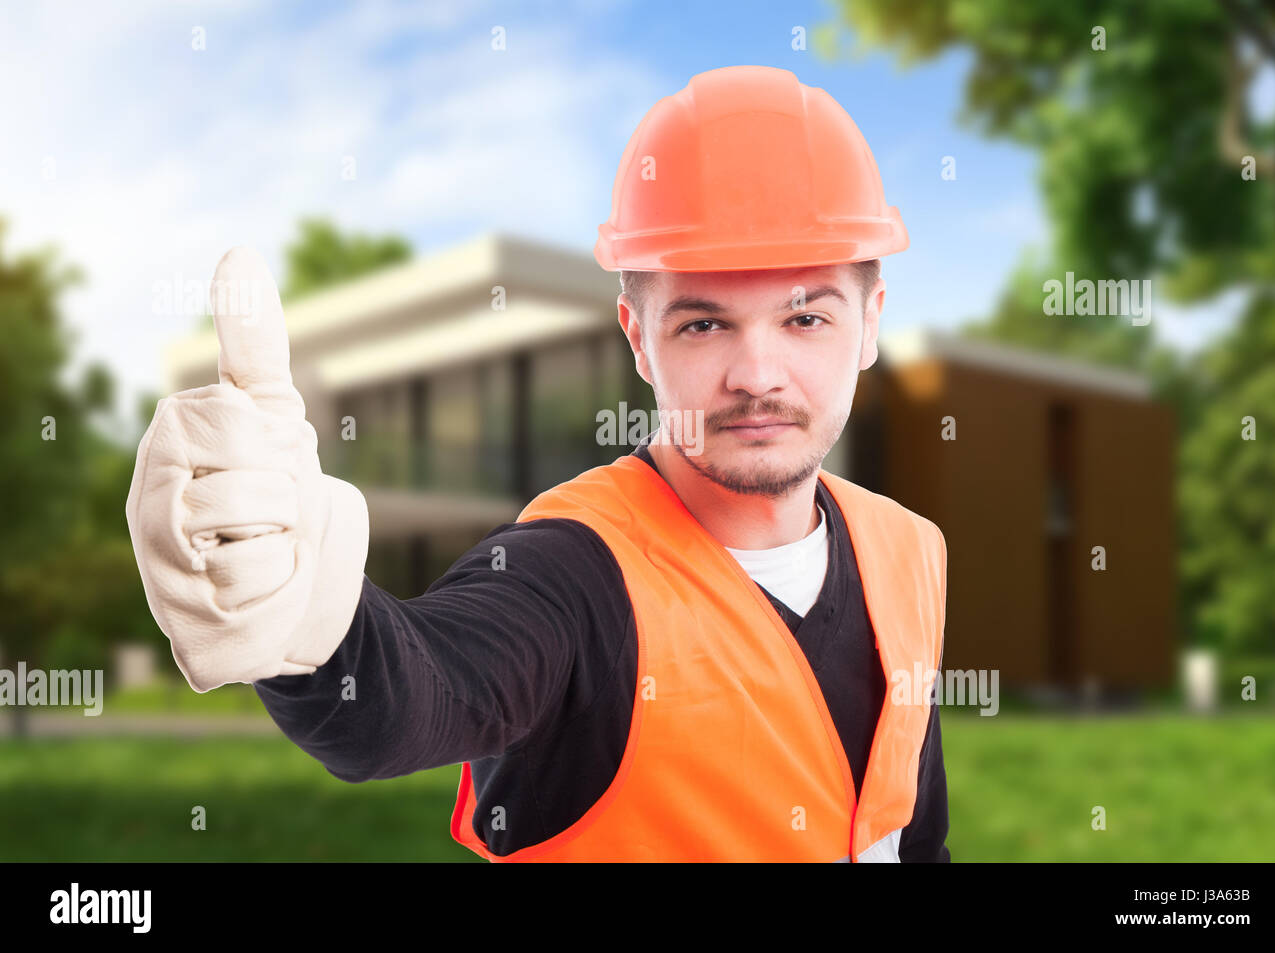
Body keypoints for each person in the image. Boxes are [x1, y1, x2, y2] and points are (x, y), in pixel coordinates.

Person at [126, 65, 950, 863]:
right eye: (704, 325)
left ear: (871, 321)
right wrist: (307, 618)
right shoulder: (573, 573)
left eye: (805, 319)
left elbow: (912, 835)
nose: (757, 374)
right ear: (637, 337)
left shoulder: (906, 549)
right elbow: (412, 697)